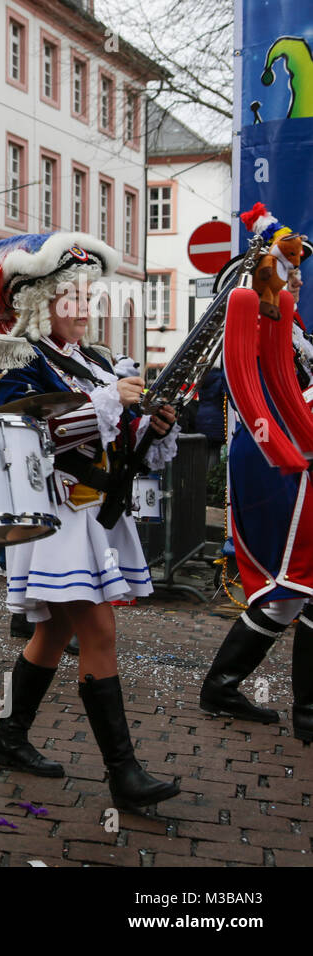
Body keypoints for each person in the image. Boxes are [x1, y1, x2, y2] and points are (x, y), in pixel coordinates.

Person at [0, 230, 182, 810]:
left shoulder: (93, 362)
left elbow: (115, 439)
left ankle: (9, 736)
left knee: (53, 633)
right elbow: (27, 436)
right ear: (38, 302)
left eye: (87, 296)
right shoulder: (14, 358)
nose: (85, 307)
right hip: (55, 516)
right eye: (72, 296)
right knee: (99, 632)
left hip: (95, 514)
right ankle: (124, 774)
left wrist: (150, 426)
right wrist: (112, 402)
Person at [200, 214, 313, 743]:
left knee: (291, 592)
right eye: (289, 265)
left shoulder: (291, 325)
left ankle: (222, 685)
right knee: (301, 579)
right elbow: (255, 394)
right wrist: (288, 448)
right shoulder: (252, 310)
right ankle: (306, 714)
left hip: (293, 450)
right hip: (274, 457)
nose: (297, 277)